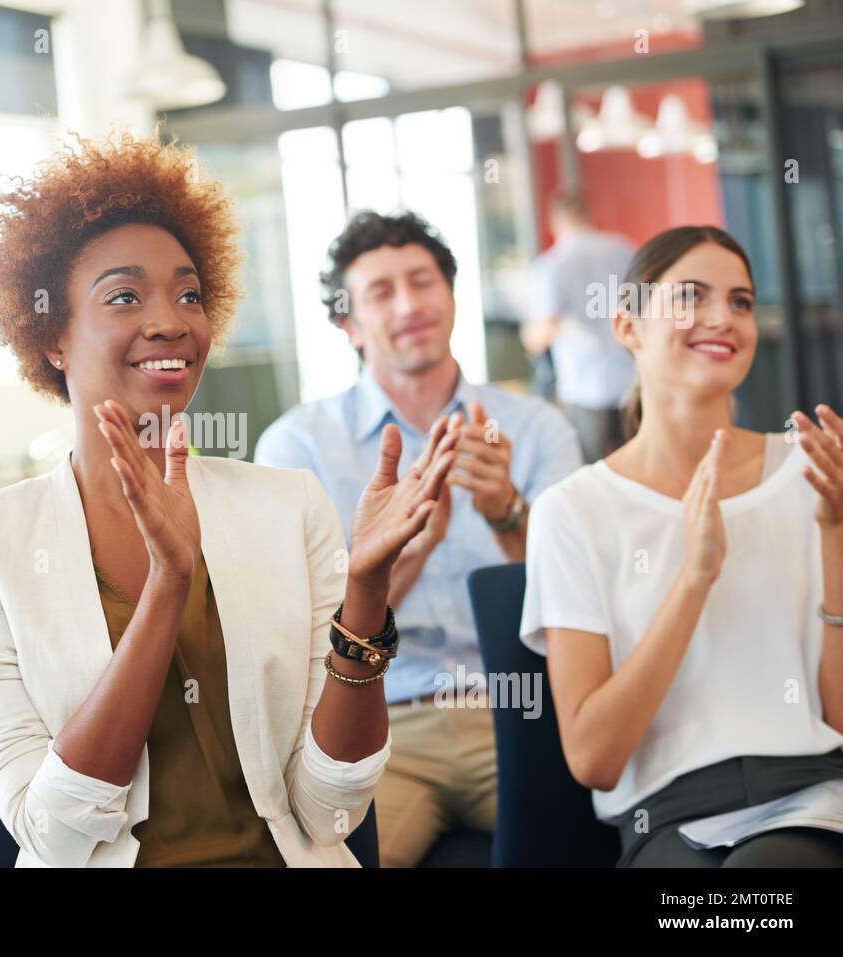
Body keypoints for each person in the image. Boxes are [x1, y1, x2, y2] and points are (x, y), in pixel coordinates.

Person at [0, 133, 458, 867]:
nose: (171, 321)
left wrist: (364, 599)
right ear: (51, 334)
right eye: (124, 296)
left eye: (189, 294)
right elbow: (53, 829)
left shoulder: (287, 503)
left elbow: (330, 807)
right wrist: (167, 585)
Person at [254, 210, 582, 867]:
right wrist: (410, 549)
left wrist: (509, 515)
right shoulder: (296, 445)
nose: (409, 305)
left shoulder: (536, 427)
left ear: (452, 294)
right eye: (380, 292)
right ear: (348, 324)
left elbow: (580, 606)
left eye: (423, 281)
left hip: (512, 709)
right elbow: (299, 638)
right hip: (380, 728)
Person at [521, 225, 843, 867]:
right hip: (666, 821)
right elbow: (594, 757)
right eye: (690, 296)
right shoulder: (573, 511)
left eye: (742, 301)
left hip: (813, 797)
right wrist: (693, 581)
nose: (721, 318)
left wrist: (836, 533)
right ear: (627, 326)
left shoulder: (814, 472)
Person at [522, 192, 637, 462]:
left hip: (584, 385)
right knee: (637, 466)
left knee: (592, 474)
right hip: (630, 380)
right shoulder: (623, 248)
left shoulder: (553, 264)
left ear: (555, 222)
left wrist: (528, 336)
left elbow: (543, 332)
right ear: (588, 215)